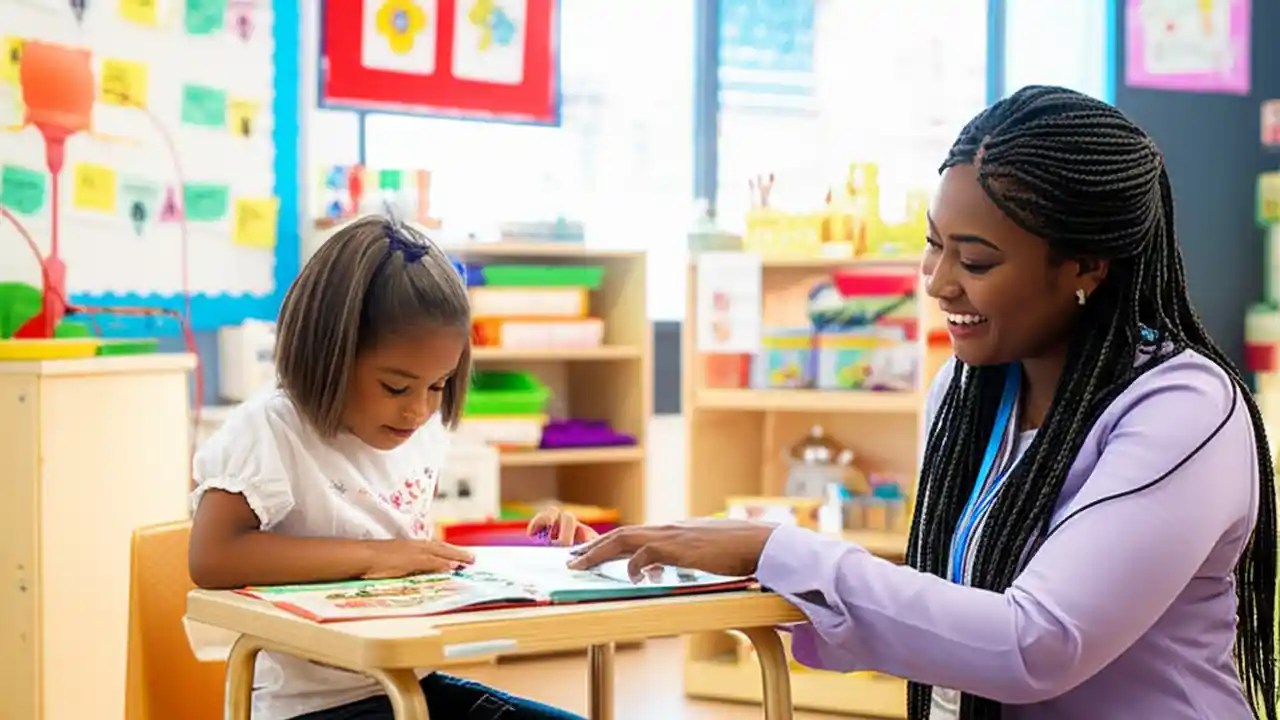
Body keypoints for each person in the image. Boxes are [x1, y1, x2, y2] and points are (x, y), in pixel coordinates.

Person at [568, 86, 1278, 719]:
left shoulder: (1183, 408)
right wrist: (735, 571)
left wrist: (779, 551)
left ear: (1087, 265)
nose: (938, 283)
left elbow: (1037, 643)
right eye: (932, 246)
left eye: (975, 261)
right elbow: (949, 621)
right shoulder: (969, 393)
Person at [188, 216, 594, 720]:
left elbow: (419, 554)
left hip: (407, 686)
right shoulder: (270, 430)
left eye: (439, 386)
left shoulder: (419, 433)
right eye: (397, 388)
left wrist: (544, 551)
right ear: (329, 355)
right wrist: (371, 556)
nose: (419, 411)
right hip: (308, 710)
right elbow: (213, 557)